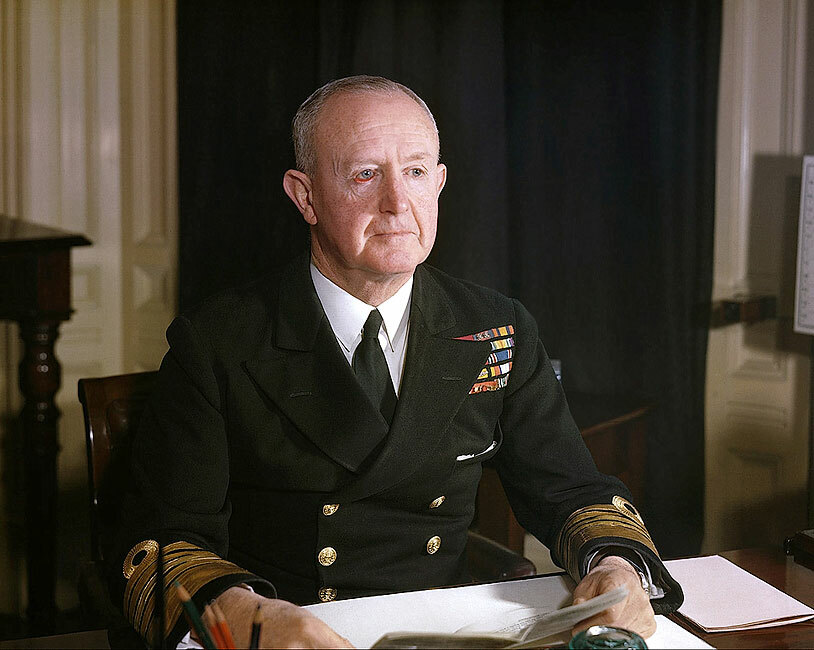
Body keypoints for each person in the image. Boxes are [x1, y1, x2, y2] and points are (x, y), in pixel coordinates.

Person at [109, 75, 683, 648]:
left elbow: (572, 492)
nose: (396, 204)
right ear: (304, 196)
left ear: (439, 184)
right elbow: (165, 544)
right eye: (364, 174)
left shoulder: (495, 326)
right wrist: (251, 618)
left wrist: (616, 569)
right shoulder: (218, 341)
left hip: (444, 629)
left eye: (414, 173)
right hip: (291, 633)